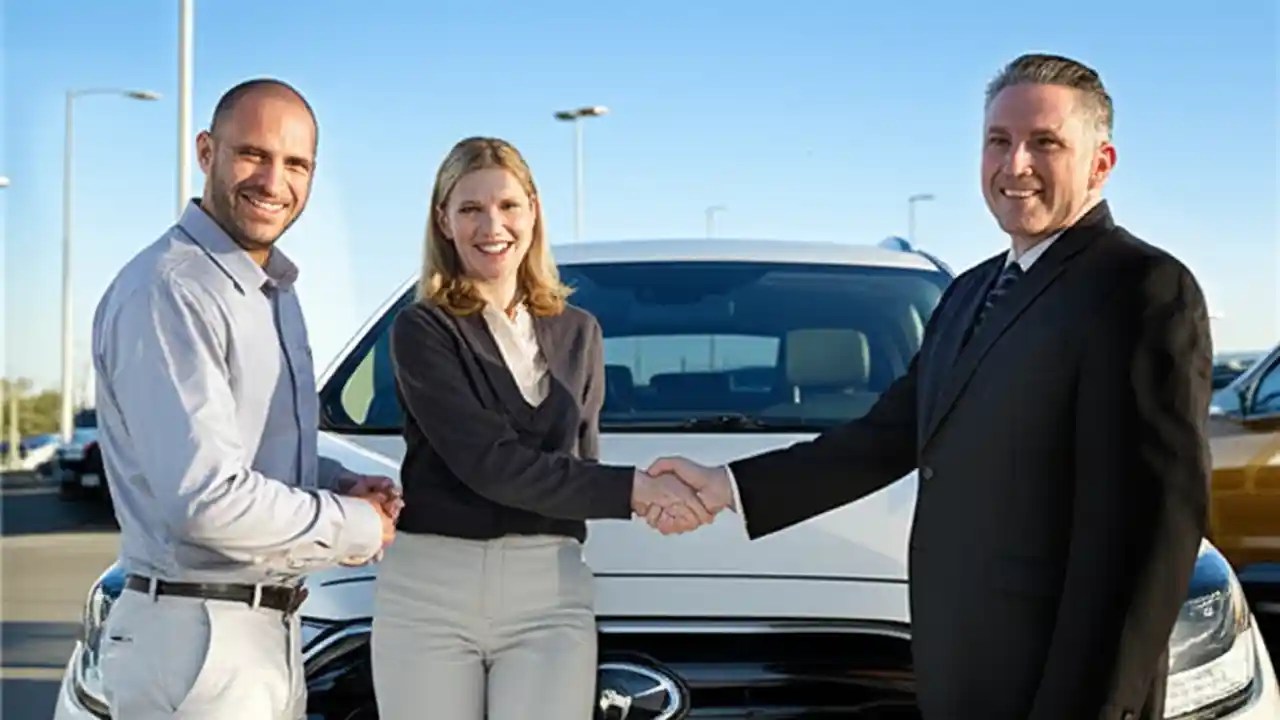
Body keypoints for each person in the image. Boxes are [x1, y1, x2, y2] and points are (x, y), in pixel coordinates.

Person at [647, 53, 1212, 720]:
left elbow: (1148, 535)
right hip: (961, 672)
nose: (1015, 165)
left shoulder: (1139, 289)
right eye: (998, 142)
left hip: (1058, 689)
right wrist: (727, 486)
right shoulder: (969, 292)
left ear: (1101, 162)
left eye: (1045, 143)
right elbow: (888, 435)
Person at [91, 78, 402, 719]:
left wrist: (337, 482)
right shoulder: (171, 290)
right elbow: (205, 502)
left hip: (260, 636)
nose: (273, 181)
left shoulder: (270, 290)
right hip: (194, 644)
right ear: (207, 152)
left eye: (295, 164)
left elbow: (250, 457)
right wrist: (357, 526)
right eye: (252, 154)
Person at [369, 136, 709, 720]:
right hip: (431, 592)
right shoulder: (422, 329)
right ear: (443, 221)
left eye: (507, 205)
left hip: (549, 594)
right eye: (470, 208)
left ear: (533, 211)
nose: (491, 225)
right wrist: (641, 491)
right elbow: (487, 462)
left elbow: (578, 466)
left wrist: (636, 493)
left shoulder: (580, 331)